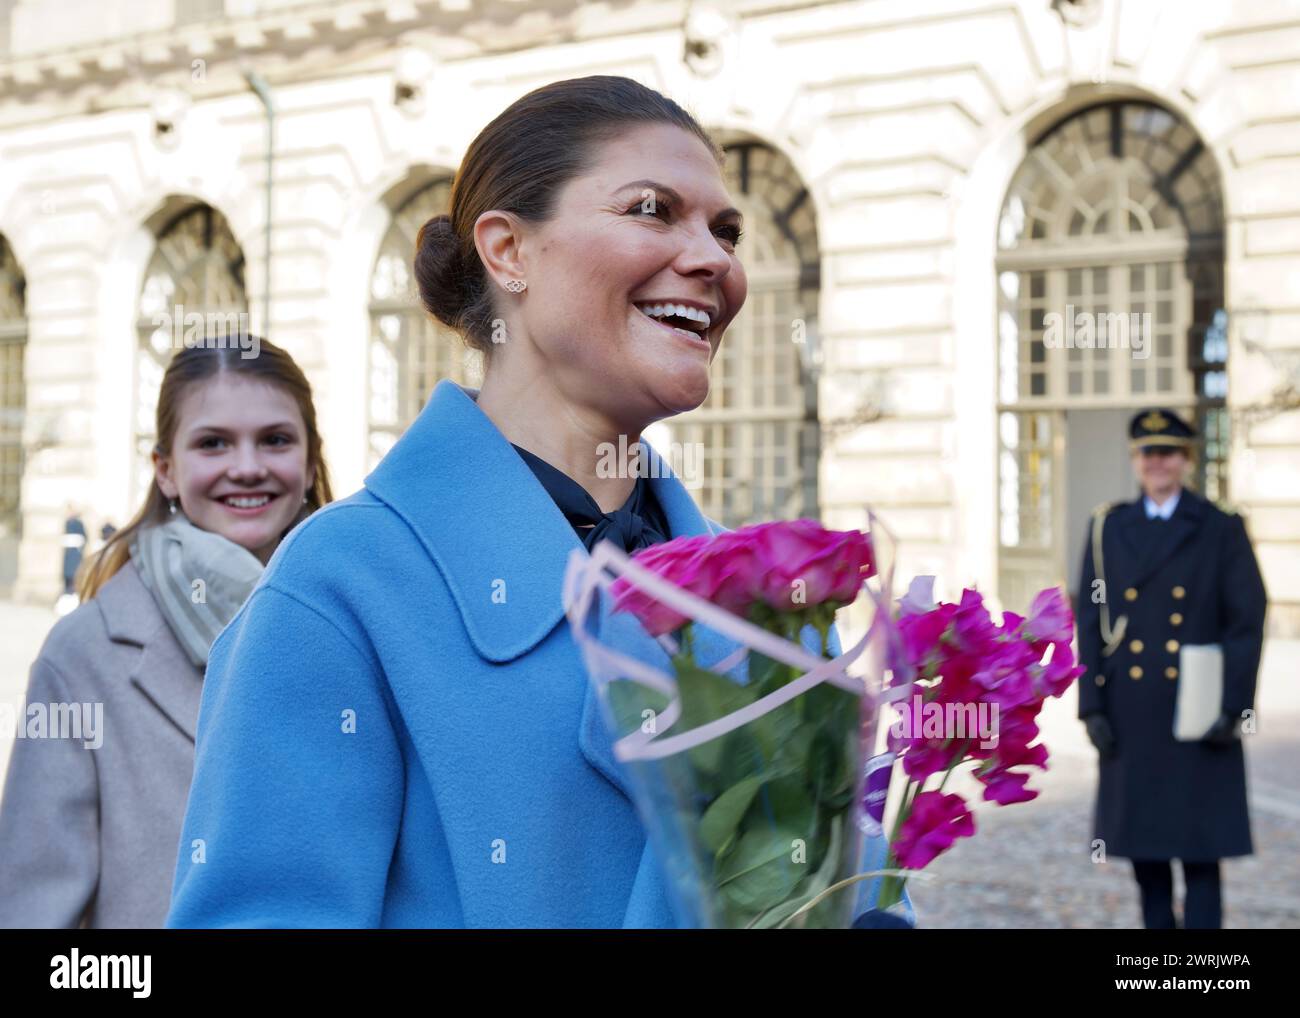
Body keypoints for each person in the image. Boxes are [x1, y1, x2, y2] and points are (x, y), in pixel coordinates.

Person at [167, 75, 907, 929]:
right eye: (652, 210)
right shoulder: (339, 591)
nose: (716, 261)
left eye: (726, 230)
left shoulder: (776, 606)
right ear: (508, 251)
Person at [0, 339, 333, 928]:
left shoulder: (365, 630)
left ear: (309, 464)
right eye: (213, 443)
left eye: (275, 439)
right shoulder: (81, 657)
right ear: (166, 470)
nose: (248, 465)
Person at [1076, 407, 1267, 929]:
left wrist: (1235, 705)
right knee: (1148, 857)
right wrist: (1090, 704)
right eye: (1147, 453)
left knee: (1202, 855)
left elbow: (1246, 619)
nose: (1157, 462)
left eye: (1168, 452)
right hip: (1131, 711)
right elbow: (1089, 618)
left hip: (1200, 711)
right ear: (1136, 461)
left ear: (1185, 460)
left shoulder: (1220, 527)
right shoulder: (1107, 527)